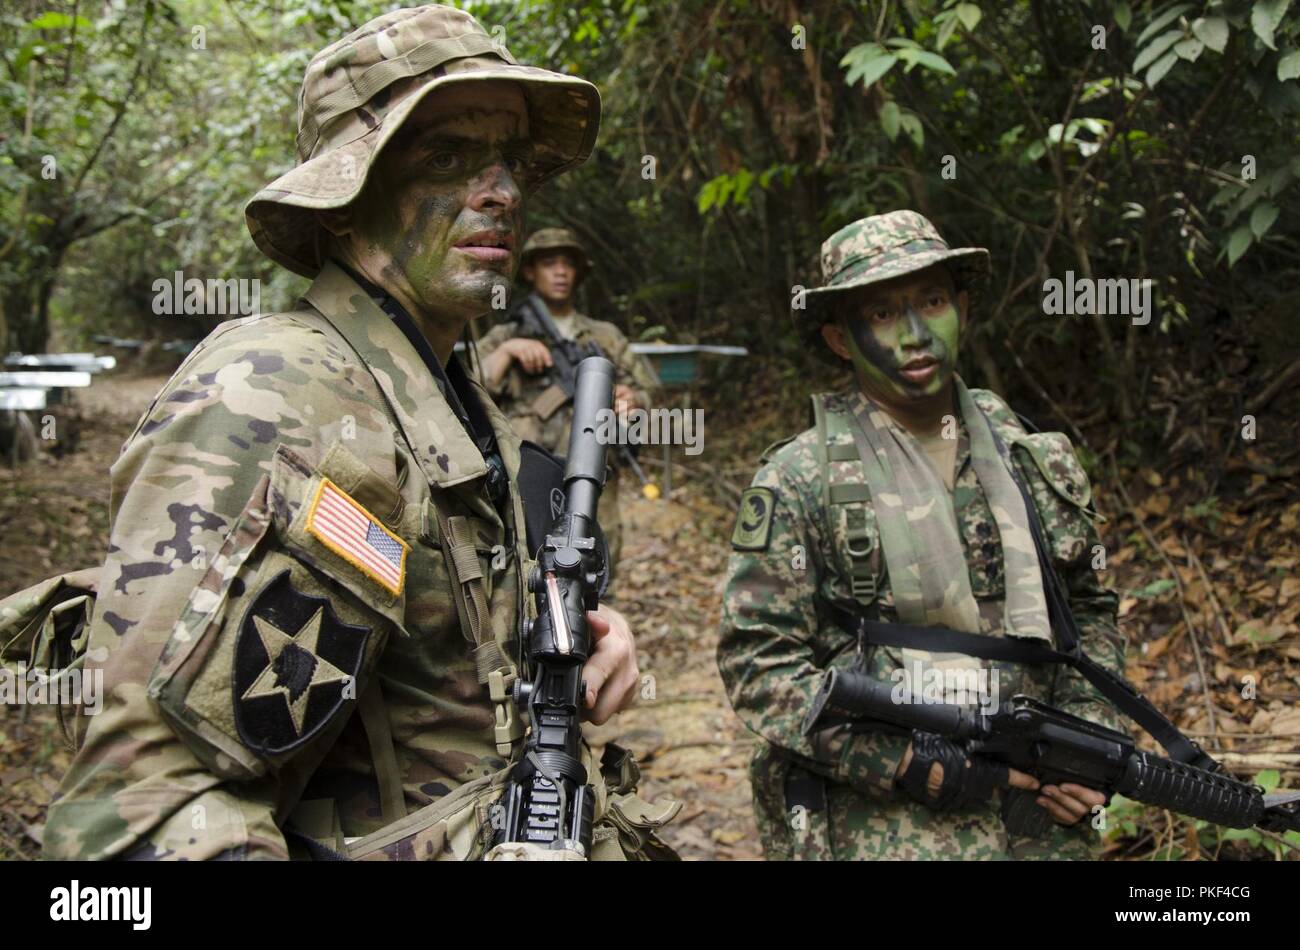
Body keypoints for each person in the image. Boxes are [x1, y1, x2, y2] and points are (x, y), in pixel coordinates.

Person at [33, 4, 675, 861]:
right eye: (447, 157)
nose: (503, 192)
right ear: (342, 202)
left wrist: (566, 636)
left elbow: (422, 633)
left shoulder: (441, 378)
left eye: (510, 162)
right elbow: (141, 818)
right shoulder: (275, 393)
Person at [717, 210, 1126, 860]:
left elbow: (1090, 613)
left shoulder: (1028, 458)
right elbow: (757, 665)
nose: (915, 335)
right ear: (840, 338)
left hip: (1032, 807)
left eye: (931, 302)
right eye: (881, 314)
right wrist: (897, 761)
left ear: (961, 308)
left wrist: (1084, 744)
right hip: (882, 814)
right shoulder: (801, 479)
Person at [476, 228, 659, 572]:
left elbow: (647, 392)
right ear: (530, 271)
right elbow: (469, 387)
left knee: (594, 577)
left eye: (568, 264)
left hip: (596, 479)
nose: (560, 272)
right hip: (526, 479)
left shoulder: (605, 336)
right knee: (525, 575)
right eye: (549, 263)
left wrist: (631, 400)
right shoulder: (507, 334)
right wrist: (506, 352)